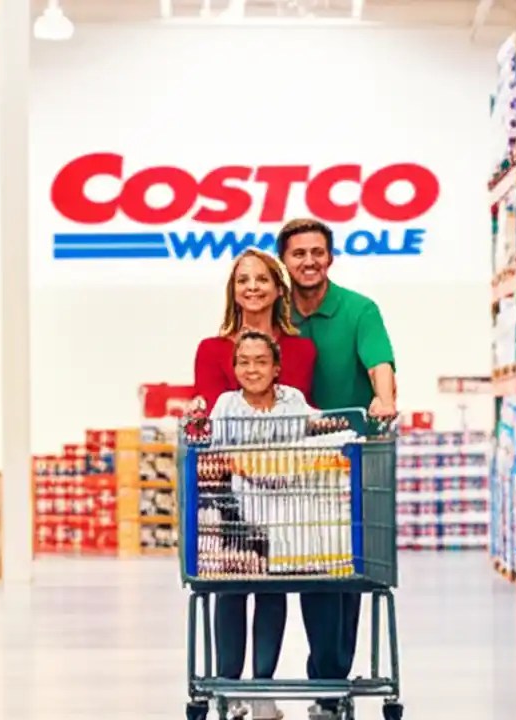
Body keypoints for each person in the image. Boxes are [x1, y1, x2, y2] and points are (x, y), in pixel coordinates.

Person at [275, 218, 397, 720]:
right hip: (291, 465)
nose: (308, 261)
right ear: (284, 260)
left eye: (317, 252)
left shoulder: (358, 309)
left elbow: (379, 363)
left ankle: (330, 674)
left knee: (350, 580)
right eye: (298, 253)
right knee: (319, 574)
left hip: (350, 460)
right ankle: (328, 679)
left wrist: (384, 398)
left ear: (330, 257)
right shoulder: (277, 316)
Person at [193, 249, 316, 720]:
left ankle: (262, 687)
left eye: (262, 278)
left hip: (284, 495)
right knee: (230, 584)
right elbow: (206, 415)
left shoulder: (302, 350)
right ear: (233, 289)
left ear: (278, 286)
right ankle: (228, 684)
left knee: (271, 586)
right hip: (227, 492)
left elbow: (307, 418)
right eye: (242, 279)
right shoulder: (211, 350)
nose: (252, 287)